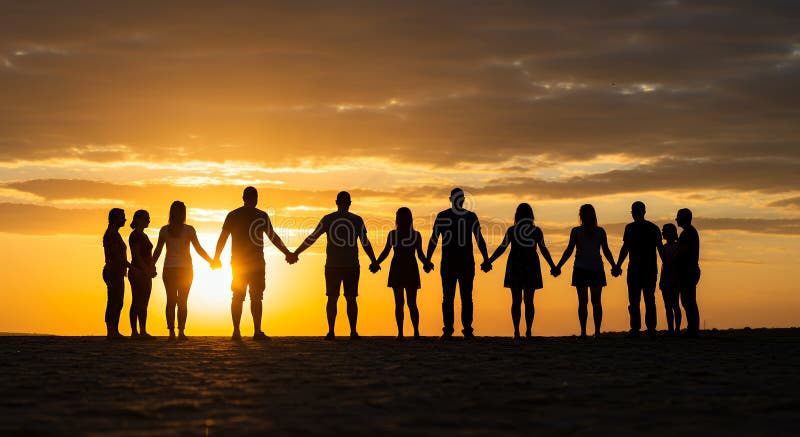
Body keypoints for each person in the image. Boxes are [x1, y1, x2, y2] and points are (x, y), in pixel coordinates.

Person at [213, 187, 296, 341]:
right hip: (256, 262)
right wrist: (287, 253)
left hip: (238, 262)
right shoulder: (261, 215)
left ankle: (236, 331)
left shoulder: (233, 215)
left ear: (243, 198)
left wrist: (216, 258)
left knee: (237, 296)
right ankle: (257, 331)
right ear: (256, 198)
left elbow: (222, 238)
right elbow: (273, 237)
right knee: (256, 297)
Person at [294, 191, 378, 340]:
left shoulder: (328, 219)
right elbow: (365, 242)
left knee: (332, 298)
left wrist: (296, 253)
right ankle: (353, 332)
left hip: (333, 266)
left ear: (336, 202)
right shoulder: (356, 220)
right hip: (351, 265)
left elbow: (312, 238)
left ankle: (331, 331)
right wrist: (374, 261)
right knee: (351, 298)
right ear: (349, 203)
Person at [482, 203, 557, 339]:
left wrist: (489, 261)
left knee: (516, 300)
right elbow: (543, 250)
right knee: (529, 301)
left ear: (517, 215)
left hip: (516, 265)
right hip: (530, 266)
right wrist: (553, 266)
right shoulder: (536, 231)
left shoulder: (512, 231)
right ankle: (528, 330)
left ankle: (517, 331)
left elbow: (502, 248)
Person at [424, 188, 490, 339]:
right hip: (454, 262)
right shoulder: (462, 216)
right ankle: (454, 329)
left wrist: (486, 258)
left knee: (458, 297)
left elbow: (478, 238)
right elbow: (434, 239)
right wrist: (427, 259)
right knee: (456, 297)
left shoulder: (459, 216)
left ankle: (458, 329)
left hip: (459, 262)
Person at [154, 201, 216, 340]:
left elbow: (158, 251)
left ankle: (171, 333)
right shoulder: (189, 230)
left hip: (169, 269)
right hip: (185, 270)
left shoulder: (165, 230)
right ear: (183, 213)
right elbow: (198, 249)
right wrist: (211, 261)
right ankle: (181, 332)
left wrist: (151, 265)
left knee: (170, 301)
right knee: (182, 302)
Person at [554, 204, 617, 338]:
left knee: (584, 301)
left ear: (580, 216)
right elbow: (605, 251)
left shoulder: (578, 231)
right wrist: (614, 265)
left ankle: (584, 332)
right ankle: (596, 332)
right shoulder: (598, 231)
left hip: (583, 268)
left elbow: (569, 250)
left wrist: (558, 266)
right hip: (593, 268)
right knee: (596, 301)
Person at [371, 207, 433, 339]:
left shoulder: (398, 234)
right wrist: (376, 263)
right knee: (408, 303)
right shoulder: (412, 235)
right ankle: (411, 332)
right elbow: (387, 252)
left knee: (404, 303)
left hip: (402, 268)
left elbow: (387, 252)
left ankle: (406, 333)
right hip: (406, 268)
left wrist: (376, 263)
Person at [613, 201, 664, 338]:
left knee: (638, 300)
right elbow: (660, 249)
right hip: (645, 269)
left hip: (639, 269)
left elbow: (625, 248)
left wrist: (618, 266)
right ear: (644, 212)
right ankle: (647, 329)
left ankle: (639, 329)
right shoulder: (652, 228)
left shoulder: (632, 228)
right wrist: (617, 265)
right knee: (646, 300)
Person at [128, 210, 157, 339]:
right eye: (146, 218)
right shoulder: (135, 235)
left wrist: (152, 268)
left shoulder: (144, 235)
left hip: (146, 273)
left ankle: (143, 330)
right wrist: (145, 269)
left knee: (144, 302)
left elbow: (149, 255)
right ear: (138, 219)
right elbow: (136, 255)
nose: (148, 221)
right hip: (137, 272)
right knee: (136, 301)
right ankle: (134, 332)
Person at [103, 208, 130, 339]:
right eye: (122, 217)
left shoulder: (115, 234)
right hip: (113, 271)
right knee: (114, 301)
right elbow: (116, 256)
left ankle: (114, 331)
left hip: (117, 271)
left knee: (117, 301)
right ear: (115, 218)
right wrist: (130, 266)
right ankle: (111, 331)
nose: (125, 219)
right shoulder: (111, 234)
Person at [675, 208, 701, 337]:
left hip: (688, 271)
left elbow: (683, 251)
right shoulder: (689, 232)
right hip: (690, 270)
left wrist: (674, 257)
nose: (676, 219)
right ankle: (693, 328)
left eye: (678, 217)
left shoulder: (687, 233)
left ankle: (693, 329)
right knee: (689, 300)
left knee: (688, 300)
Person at [659, 223, 681, 336]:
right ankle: (671, 329)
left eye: (664, 231)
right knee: (668, 306)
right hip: (666, 279)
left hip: (674, 279)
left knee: (675, 305)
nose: (662, 233)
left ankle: (676, 329)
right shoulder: (663, 247)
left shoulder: (678, 246)